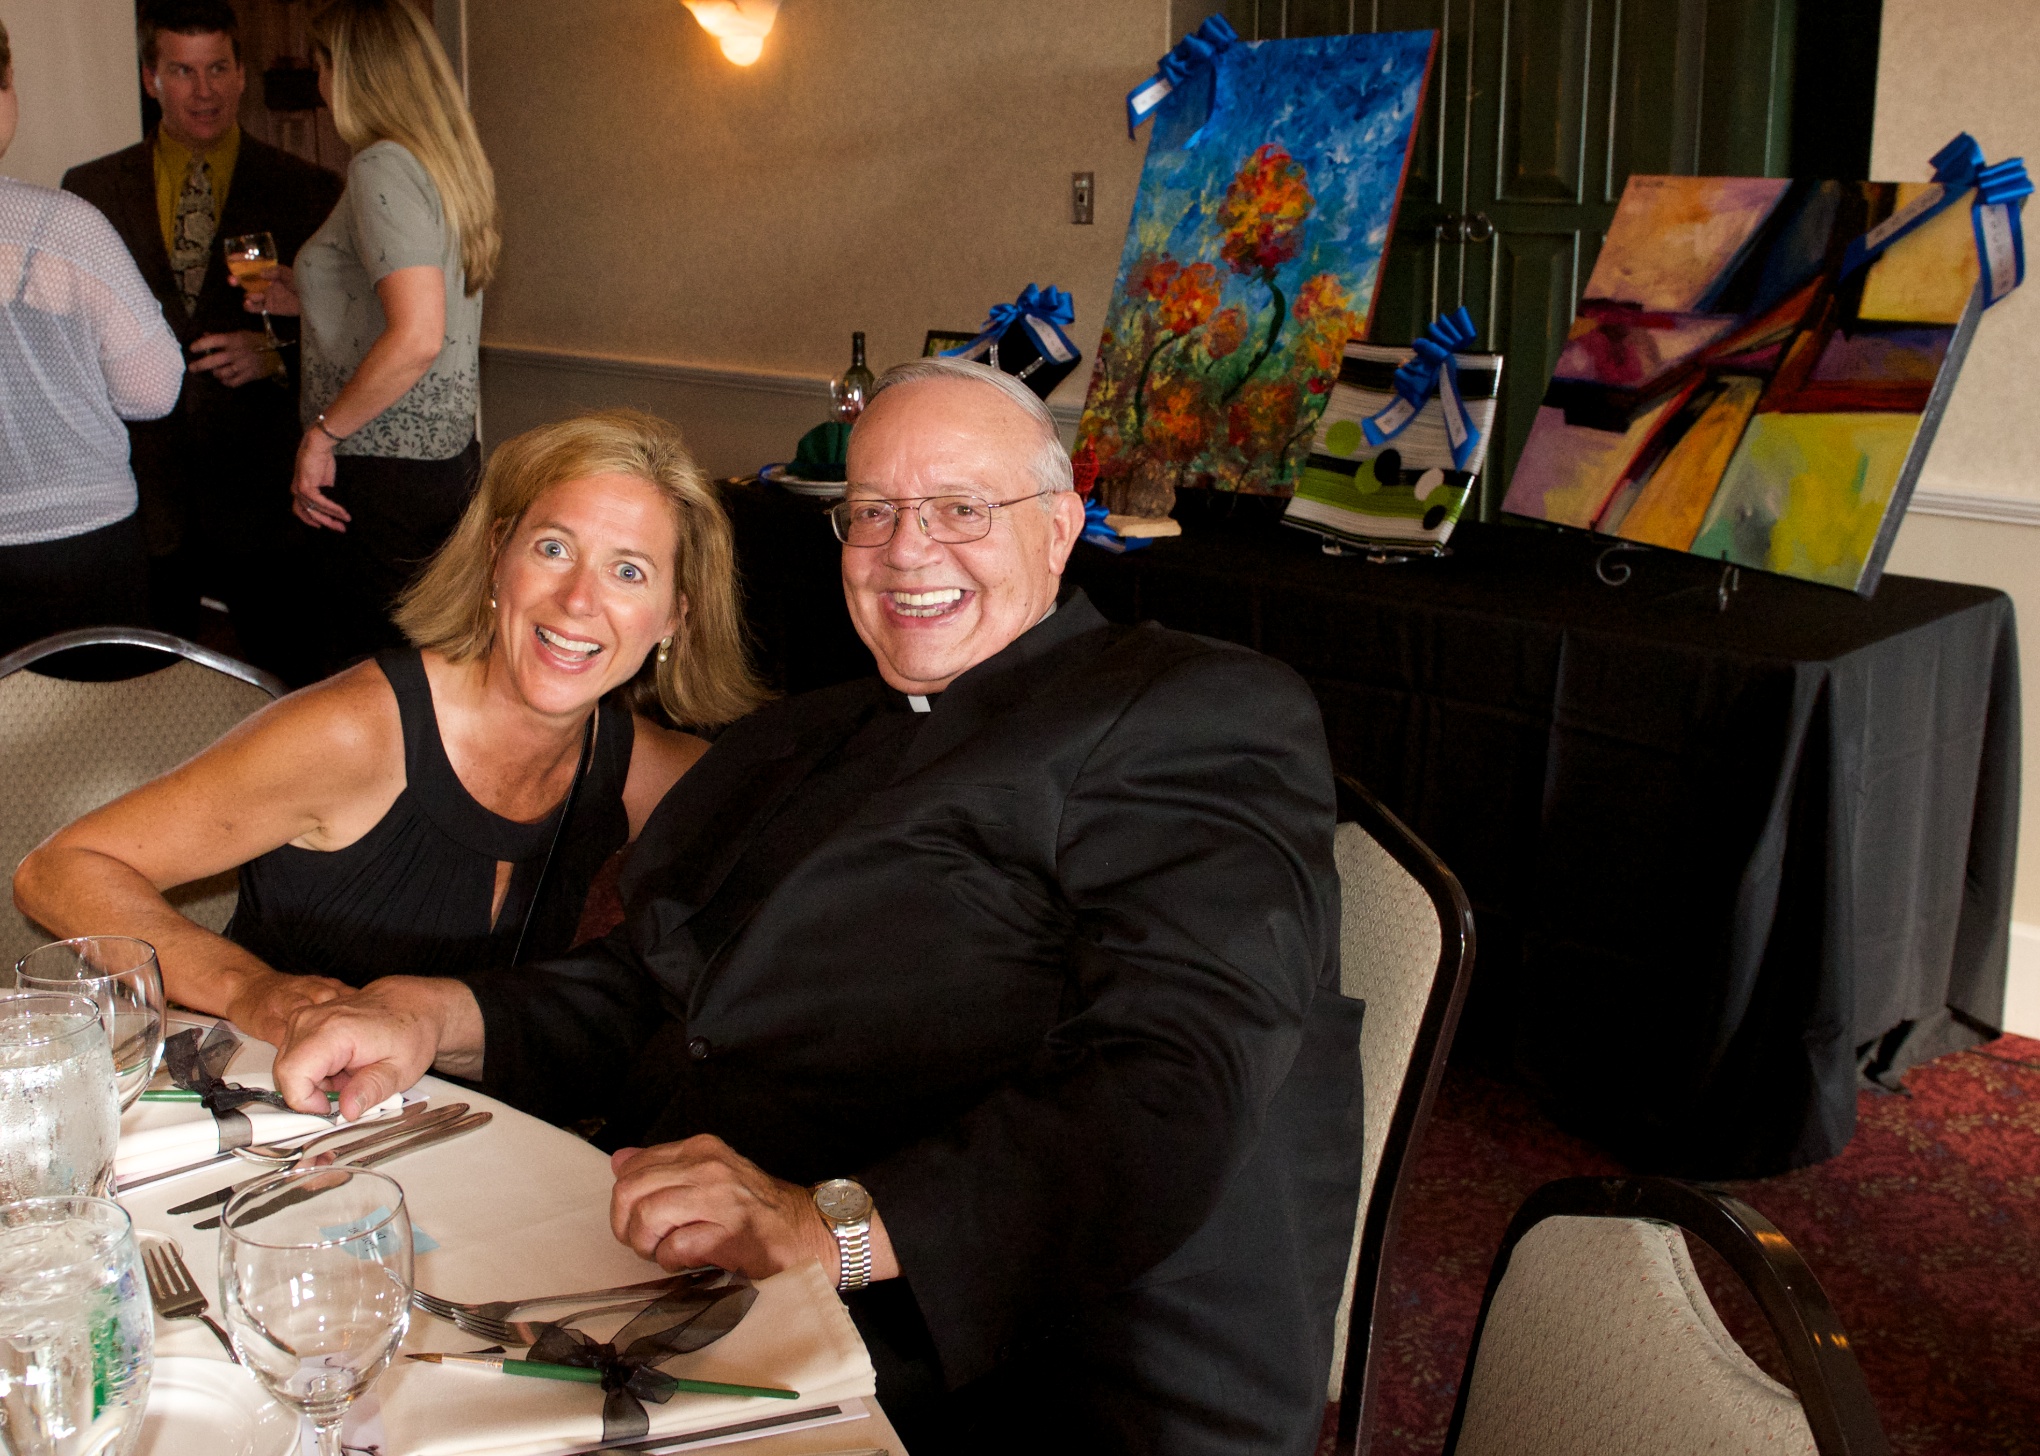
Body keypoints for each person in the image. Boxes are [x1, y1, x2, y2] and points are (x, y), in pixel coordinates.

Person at [270, 361, 1361, 1453]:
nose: (909, 549)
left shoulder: (1186, 708)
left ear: (1064, 526)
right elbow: (662, 986)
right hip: (695, 1272)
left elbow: (1171, 1078)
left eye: (961, 509)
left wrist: (827, 1227)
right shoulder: (805, 734)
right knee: (321, 1337)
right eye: (873, 513)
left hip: (1015, 1355)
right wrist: (431, 1017)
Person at [14, 410, 767, 1047]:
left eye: (628, 571)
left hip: (480, 1134)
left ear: (676, 616)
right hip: (276, 1116)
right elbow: (59, 870)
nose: (577, 600)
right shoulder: (358, 731)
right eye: (553, 548)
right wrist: (251, 992)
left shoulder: (657, 774)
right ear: (498, 558)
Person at [62, 0, 343, 678]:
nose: (205, 89)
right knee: (138, 686)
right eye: (183, 71)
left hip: (263, 490)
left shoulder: (307, 188)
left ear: (243, 74)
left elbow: (352, 338)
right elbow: (68, 341)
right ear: (150, 78)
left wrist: (272, 352)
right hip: (137, 488)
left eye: (218, 68)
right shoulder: (91, 191)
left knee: (290, 681)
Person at [249, 0, 497, 678]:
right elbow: (412, 302)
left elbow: (418, 336)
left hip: (378, 472)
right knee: (428, 671)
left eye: (324, 65)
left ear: (354, 72)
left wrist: (322, 435)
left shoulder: (380, 166)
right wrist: (303, 295)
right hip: (444, 465)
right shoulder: (443, 160)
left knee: (368, 681)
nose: (320, 83)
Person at [0, 22, 184, 655]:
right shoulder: (65, 231)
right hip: (81, 543)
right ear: (6, 94)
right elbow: (154, 390)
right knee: (95, 740)